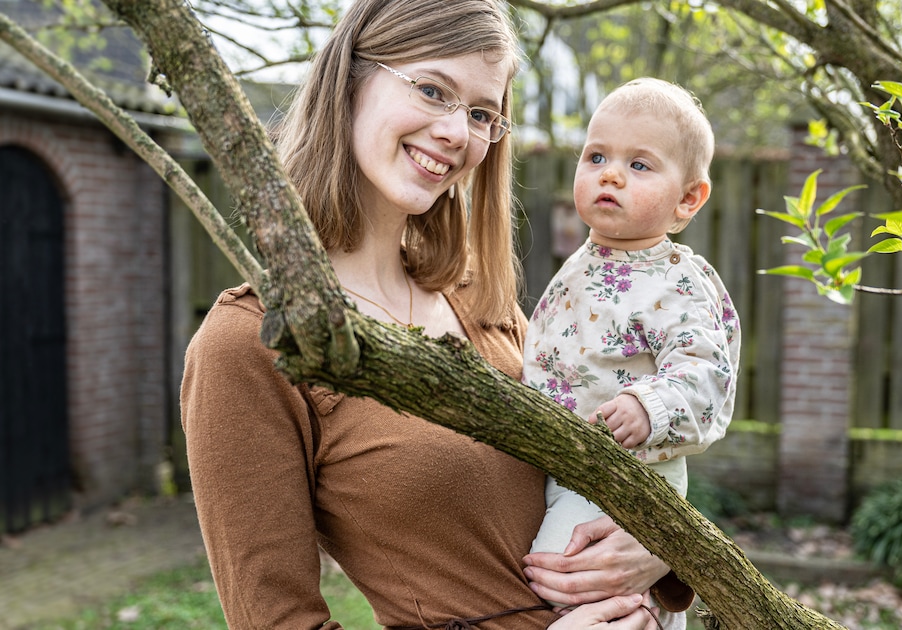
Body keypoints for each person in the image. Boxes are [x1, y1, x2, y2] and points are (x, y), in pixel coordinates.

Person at [181, 2, 672, 628]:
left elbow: (596, 465)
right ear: (351, 79)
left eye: (480, 113)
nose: (456, 132)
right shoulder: (250, 346)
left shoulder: (477, 298)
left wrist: (656, 549)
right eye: (433, 89)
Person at [522, 77, 742, 629]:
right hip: (572, 467)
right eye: (596, 156)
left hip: (632, 474)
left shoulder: (676, 281)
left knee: (567, 575)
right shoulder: (583, 265)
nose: (610, 173)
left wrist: (650, 406)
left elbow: (706, 376)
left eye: (639, 165)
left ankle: (640, 612)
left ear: (688, 198)